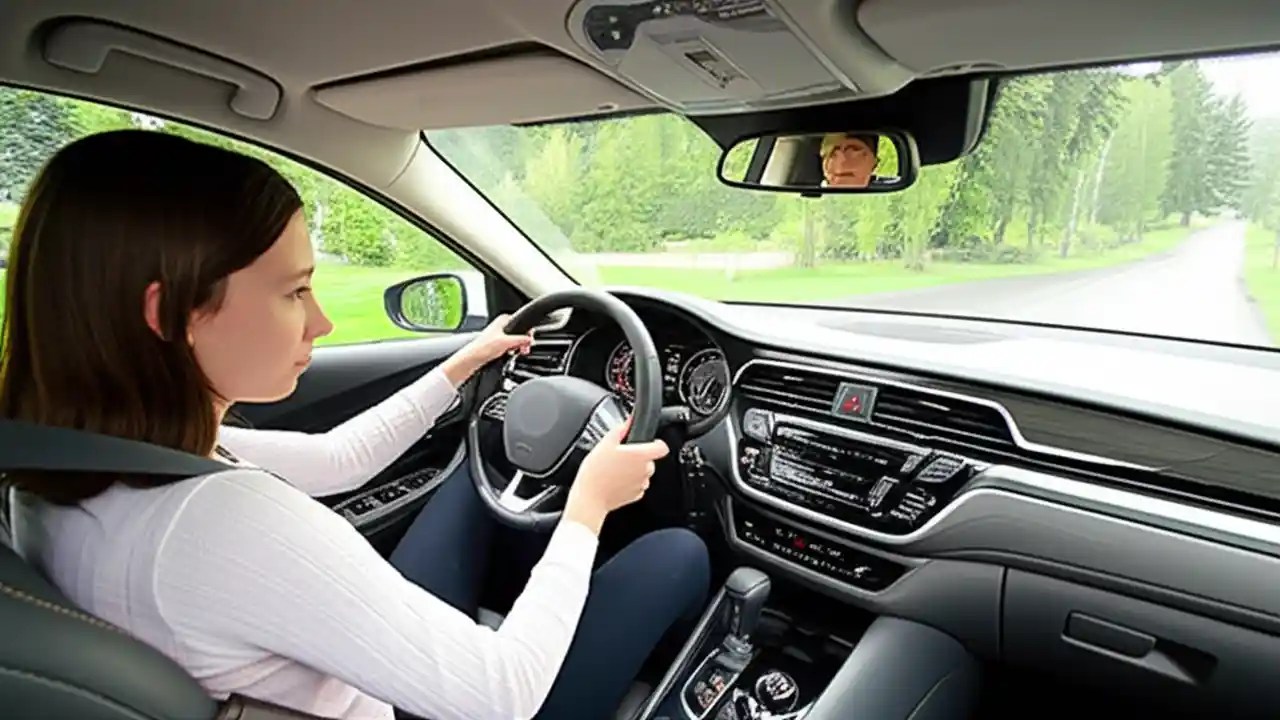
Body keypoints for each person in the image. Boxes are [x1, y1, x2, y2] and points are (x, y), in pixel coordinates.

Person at [1, 130, 710, 720]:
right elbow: (503, 694)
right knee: (674, 552)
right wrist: (588, 506)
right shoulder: (220, 520)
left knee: (469, 483)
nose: (323, 322)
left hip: (324, 670)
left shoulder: (72, 460)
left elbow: (337, 459)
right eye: (295, 290)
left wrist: (461, 366)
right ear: (172, 314)